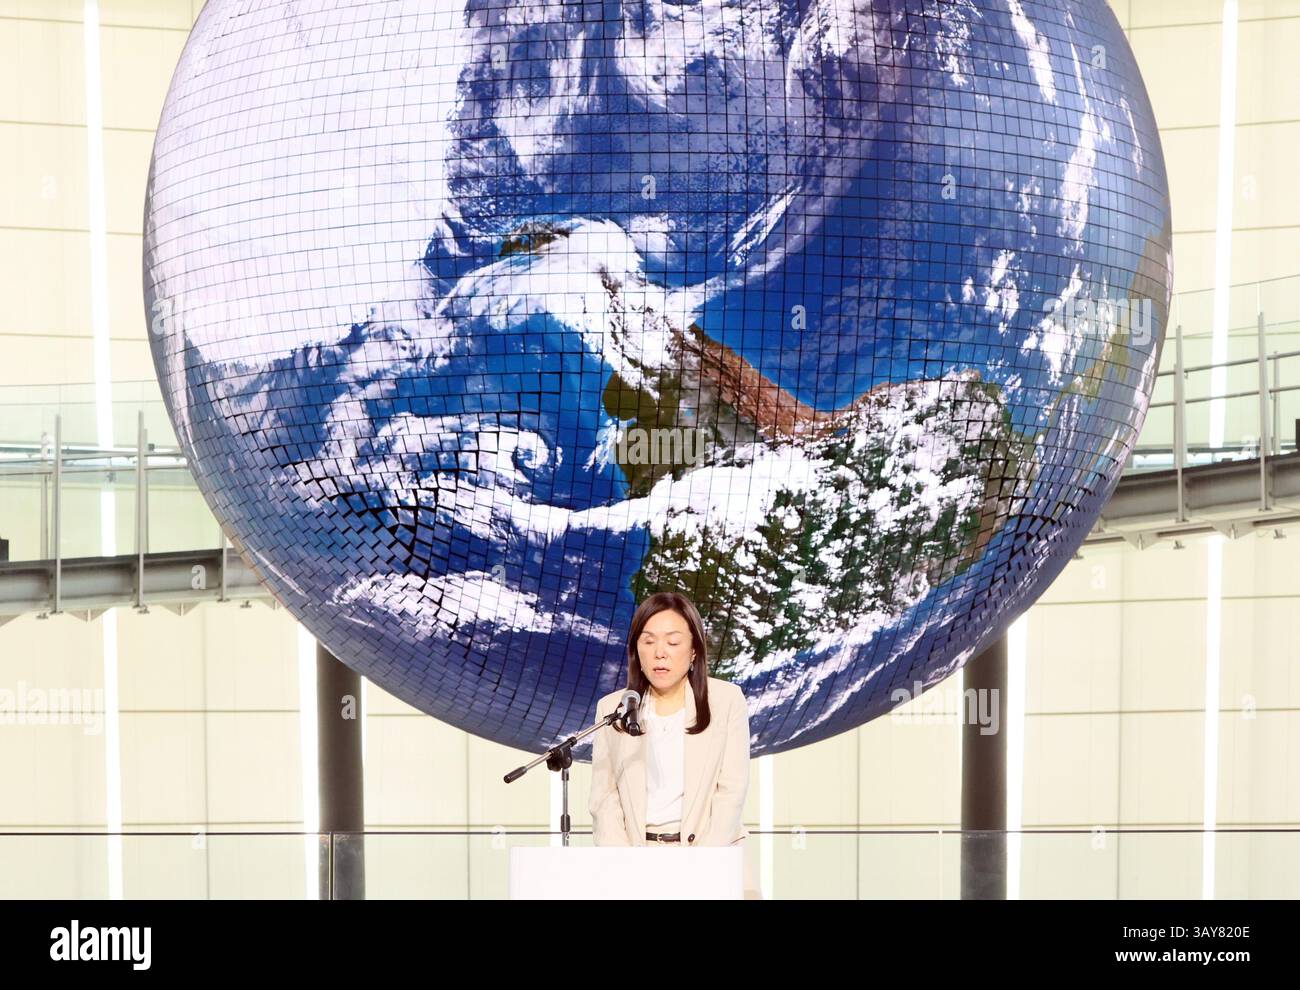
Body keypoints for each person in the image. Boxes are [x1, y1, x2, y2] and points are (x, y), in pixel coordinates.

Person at [589, 590, 759, 899]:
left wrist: (700, 865)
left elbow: (731, 791)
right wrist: (624, 862)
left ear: (694, 650)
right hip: (635, 866)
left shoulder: (726, 700)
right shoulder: (613, 708)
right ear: (636, 650)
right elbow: (604, 798)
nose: (660, 653)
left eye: (673, 642)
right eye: (649, 641)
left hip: (712, 859)